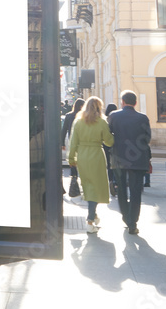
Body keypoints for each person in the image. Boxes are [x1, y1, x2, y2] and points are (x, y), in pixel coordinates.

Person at [108, 90, 152, 235]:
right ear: (135, 102)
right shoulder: (143, 118)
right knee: (135, 191)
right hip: (138, 159)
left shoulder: (113, 116)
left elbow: (108, 138)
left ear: (122, 101)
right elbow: (147, 138)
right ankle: (133, 221)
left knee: (121, 189)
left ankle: (126, 218)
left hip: (119, 159)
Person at [68, 96, 114, 233]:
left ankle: (93, 215)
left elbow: (73, 142)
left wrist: (71, 158)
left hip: (82, 156)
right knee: (96, 187)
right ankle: (90, 220)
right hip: (96, 156)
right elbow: (109, 142)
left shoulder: (78, 122)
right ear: (99, 108)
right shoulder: (101, 122)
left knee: (87, 186)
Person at [60, 98, 85, 193]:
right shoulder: (84, 116)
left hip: (72, 142)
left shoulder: (69, 115)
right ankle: (82, 181)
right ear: (81, 106)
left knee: (73, 161)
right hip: (83, 142)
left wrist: (62, 143)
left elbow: (64, 130)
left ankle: (74, 181)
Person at [104, 102, 118, 196]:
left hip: (105, 144)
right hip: (115, 144)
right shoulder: (117, 118)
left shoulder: (105, 120)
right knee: (115, 164)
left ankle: (110, 180)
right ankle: (115, 182)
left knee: (108, 164)